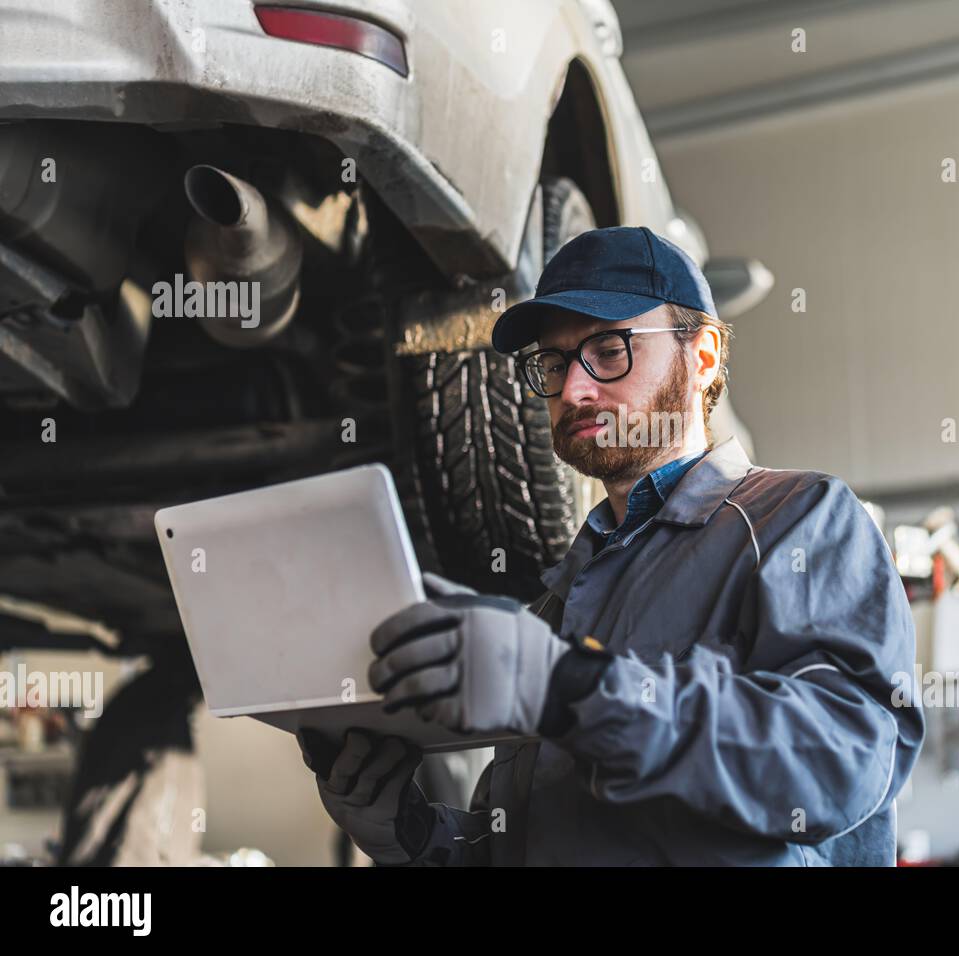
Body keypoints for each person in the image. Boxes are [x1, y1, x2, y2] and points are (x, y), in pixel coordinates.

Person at [298, 226, 924, 865]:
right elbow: (520, 842)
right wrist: (406, 832)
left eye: (609, 348)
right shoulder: (556, 602)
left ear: (703, 354)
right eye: (554, 362)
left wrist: (571, 688)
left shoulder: (798, 521)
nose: (574, 389)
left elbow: (839, 758)